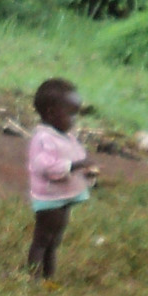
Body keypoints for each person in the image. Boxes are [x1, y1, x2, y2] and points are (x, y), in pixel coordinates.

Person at [26, 77, 96, 281]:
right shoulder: (43, 138)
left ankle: (48, 277)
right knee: (42, 239)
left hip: (63, 197)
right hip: (50, 198)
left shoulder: (65, 137)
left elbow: (76, 156)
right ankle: (33, 277)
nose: (74, 120)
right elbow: (45, 166)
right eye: (71, 114)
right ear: (51, 113)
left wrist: (87, 172)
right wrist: (75, 166)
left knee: (54, 240)